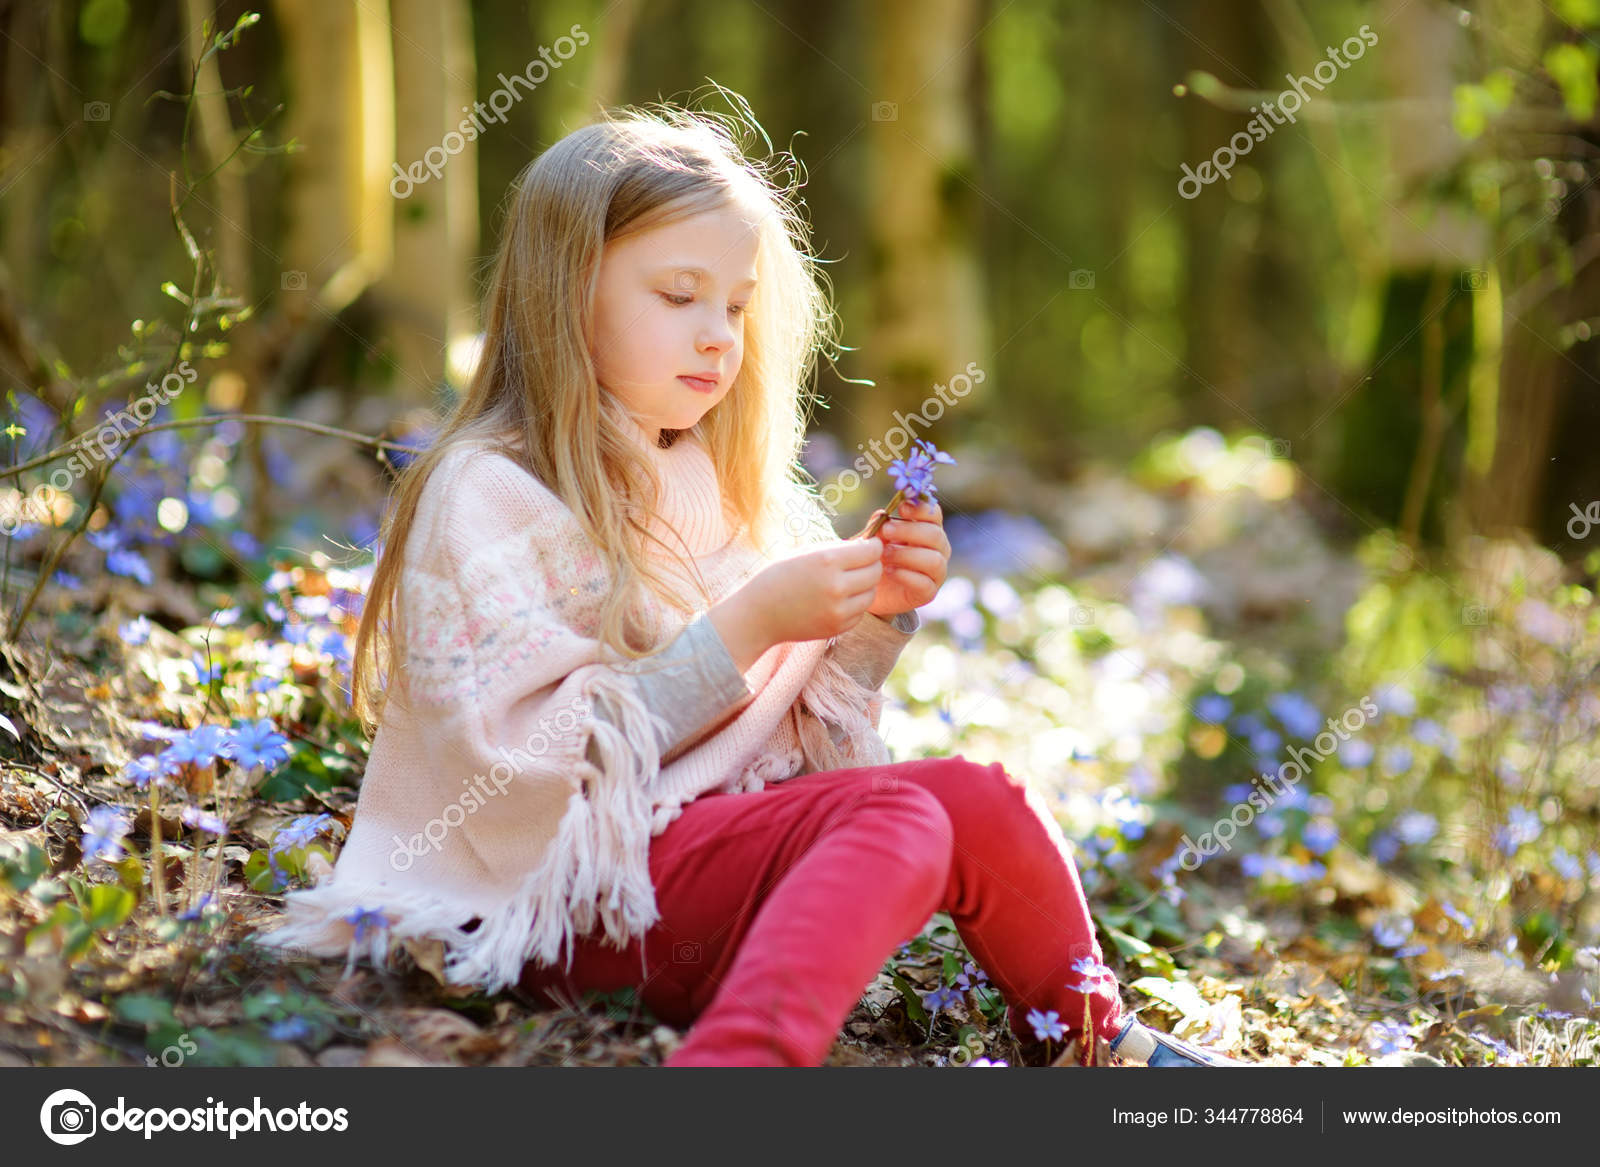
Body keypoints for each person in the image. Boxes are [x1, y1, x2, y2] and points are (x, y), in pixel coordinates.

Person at [253, 100, 1237, 1069]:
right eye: (678, 296)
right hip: (571, 897)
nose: (719, 335)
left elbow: (791, 752)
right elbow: (522, 765)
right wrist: (749, 625)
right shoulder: (491, 489)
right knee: (900, 817)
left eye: (734, 303)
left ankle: (1096, 1046)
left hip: (705, 870)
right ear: (564, 290)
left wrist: (873, 619)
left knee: (980, 799)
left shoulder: (709, 482)